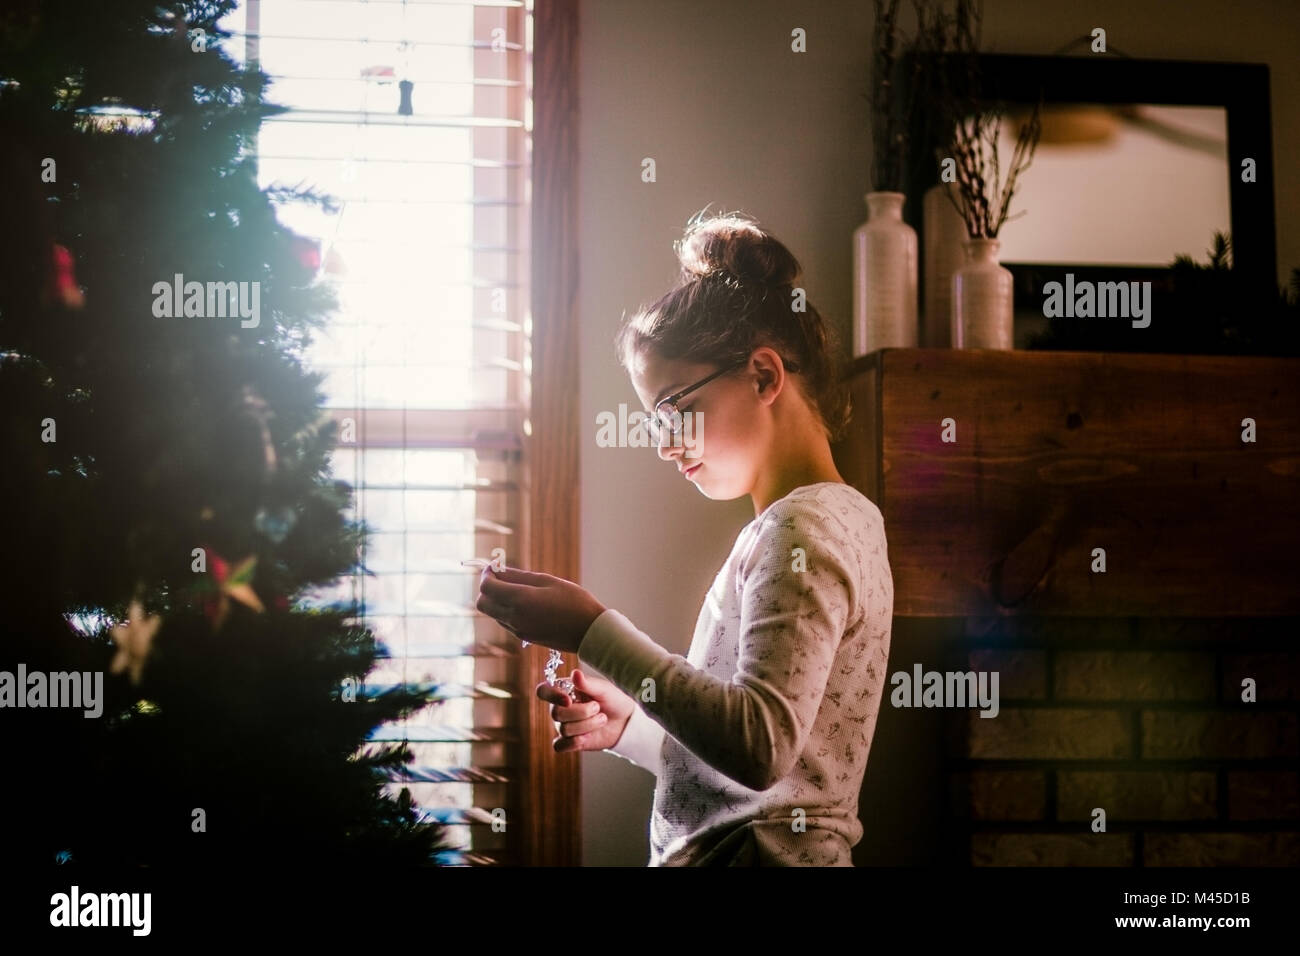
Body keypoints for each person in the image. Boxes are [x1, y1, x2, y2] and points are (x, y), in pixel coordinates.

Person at [475, 209, 894, 866]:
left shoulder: (802, 531)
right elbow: (772, 772)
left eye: (674, 410)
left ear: (763, 376)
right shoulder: (834, 522)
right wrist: (635, 726)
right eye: (654, 424)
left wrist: (592, 632)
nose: (666, 446)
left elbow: (760, 747)